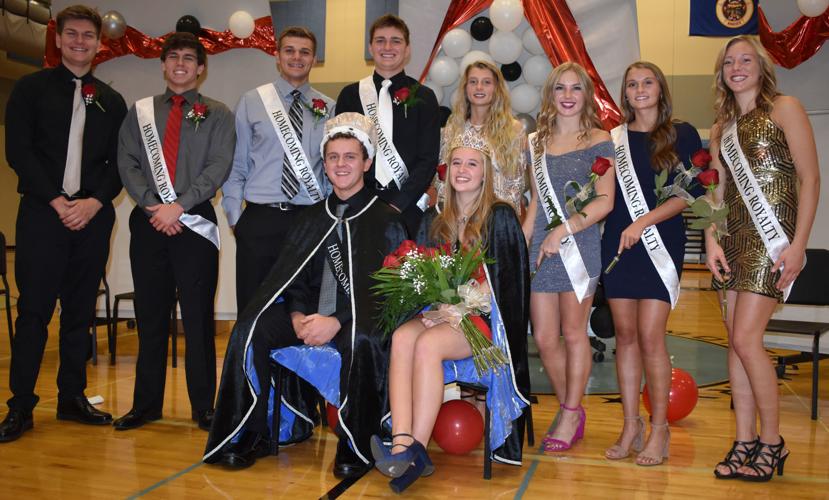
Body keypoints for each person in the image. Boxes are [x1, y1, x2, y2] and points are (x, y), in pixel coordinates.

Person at [203, 113, 407, 478]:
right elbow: (292, 279)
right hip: (309, 315)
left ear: (367, 162)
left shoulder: (385, 220)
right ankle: (253, 432)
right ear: (324, 164)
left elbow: (385, 292)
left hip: (356, 319)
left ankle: (353, 441)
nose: (341, 164)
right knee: (251, 327)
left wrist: (337, 320)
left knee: (360, 339)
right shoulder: (310, 217)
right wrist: (297, 315)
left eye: (350, 156)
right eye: (333, 157)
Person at [371, 127, 530, 488]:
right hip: (442, 311)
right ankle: (399, 442)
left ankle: (416, 451)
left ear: (485, 172)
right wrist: (433, 303)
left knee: (427, 345)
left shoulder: (500, 216)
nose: (462, 170)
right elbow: (429, 272)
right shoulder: (435, 220)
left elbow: (504, 282)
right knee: (401, 337)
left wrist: (460, 308)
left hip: (484, 319)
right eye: (456, 162)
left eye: (471, 164)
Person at [0, 5, 127, 443]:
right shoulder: (30, 90)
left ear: (98, 42)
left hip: (92, 218)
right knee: (33, 311)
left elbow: (119, 165)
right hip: (42, 215)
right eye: (71, 34)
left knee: (79, 311)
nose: (79, 42)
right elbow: (19, 151)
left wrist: (93, 202)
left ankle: (72, 396)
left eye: (87, 36)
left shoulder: (111, 101)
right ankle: (20, 404)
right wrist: (56, 201)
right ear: (57, 39)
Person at [706, 36, 819, 481]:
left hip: (773, 241)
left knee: (747, 340)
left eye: (745, 59)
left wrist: (799, 244)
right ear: (722, 72)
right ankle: (744, 441)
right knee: (736, 343)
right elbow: (717, 193)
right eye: (729, 61)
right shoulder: (720, 129)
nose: (737, 66)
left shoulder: (784, 107)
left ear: (761, 66)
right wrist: (712, 239)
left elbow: (810, 179)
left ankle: (772, 443)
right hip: (734, 240)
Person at [115, 32, 235, 432]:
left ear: (201, 68)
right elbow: (128, 162)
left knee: (198, 318)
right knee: (151, 316)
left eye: (189, 58)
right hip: (149, 222)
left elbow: (218, 167)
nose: (180, 63)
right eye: (173, 57)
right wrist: (154, 205)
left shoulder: (217, 113)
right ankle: (145, 405)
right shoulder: (141, 111)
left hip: (195, 222)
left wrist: (178, 206)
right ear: (163, 65)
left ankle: (204, 407)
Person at [602, 61, 703, 465]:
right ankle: (631, 424)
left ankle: (659, 428)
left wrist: (644, 221)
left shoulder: (684, 133)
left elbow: (690, 192)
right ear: (624, 94)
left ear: (660, 89)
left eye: (648, 83)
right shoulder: (613, 139)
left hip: (660, 240)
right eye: (632, 84)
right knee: (624, 336)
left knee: (650, 336)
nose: (640, 89)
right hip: (620, 243)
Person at [526, 62, 615, 452]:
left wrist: (563, 230)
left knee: (575, 334)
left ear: (585, 95)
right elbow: (533, 206)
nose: (566, 96)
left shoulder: (599, 139)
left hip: (578, 245)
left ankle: (568, 412)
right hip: (540, 250)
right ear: (551, 95)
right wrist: (522, 243)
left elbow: (606, 200)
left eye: (575, 89)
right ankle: (571, 409)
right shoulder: (536, 142)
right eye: (560, 88)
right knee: (545, 339)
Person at [222, 26, 335, 313]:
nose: (297, 57)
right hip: (261, 218)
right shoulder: (252, 101)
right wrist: (236, 217)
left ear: (314, 59)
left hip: (309, 218)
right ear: (277, 56)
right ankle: (249, 360)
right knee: (253, 306)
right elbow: (236, 163)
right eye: (289, 50)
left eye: (305, 52)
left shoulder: (329, 108)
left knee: (305, 308)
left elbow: (333, 168)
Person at [335, 14, 440, 236]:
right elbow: (340, 153)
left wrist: (399, 203)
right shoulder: (350, 95)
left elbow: (428, 158)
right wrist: (358, 199)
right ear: (371, 47)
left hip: (407, 206)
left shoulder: (424, 96)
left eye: (396, 40)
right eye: (380, 40)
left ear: (407, 49)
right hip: (359, 205)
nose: (388, 47)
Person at [435, 60, 530, 228]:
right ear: (465, 88)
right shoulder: (452, 129)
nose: (479, 87)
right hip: (458, 220)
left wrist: (503, 222)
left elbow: (516, 184)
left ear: (496, 88)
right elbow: (443, 179)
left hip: (496, 220)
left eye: (486, 82)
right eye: (473, 82)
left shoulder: (513, 130)